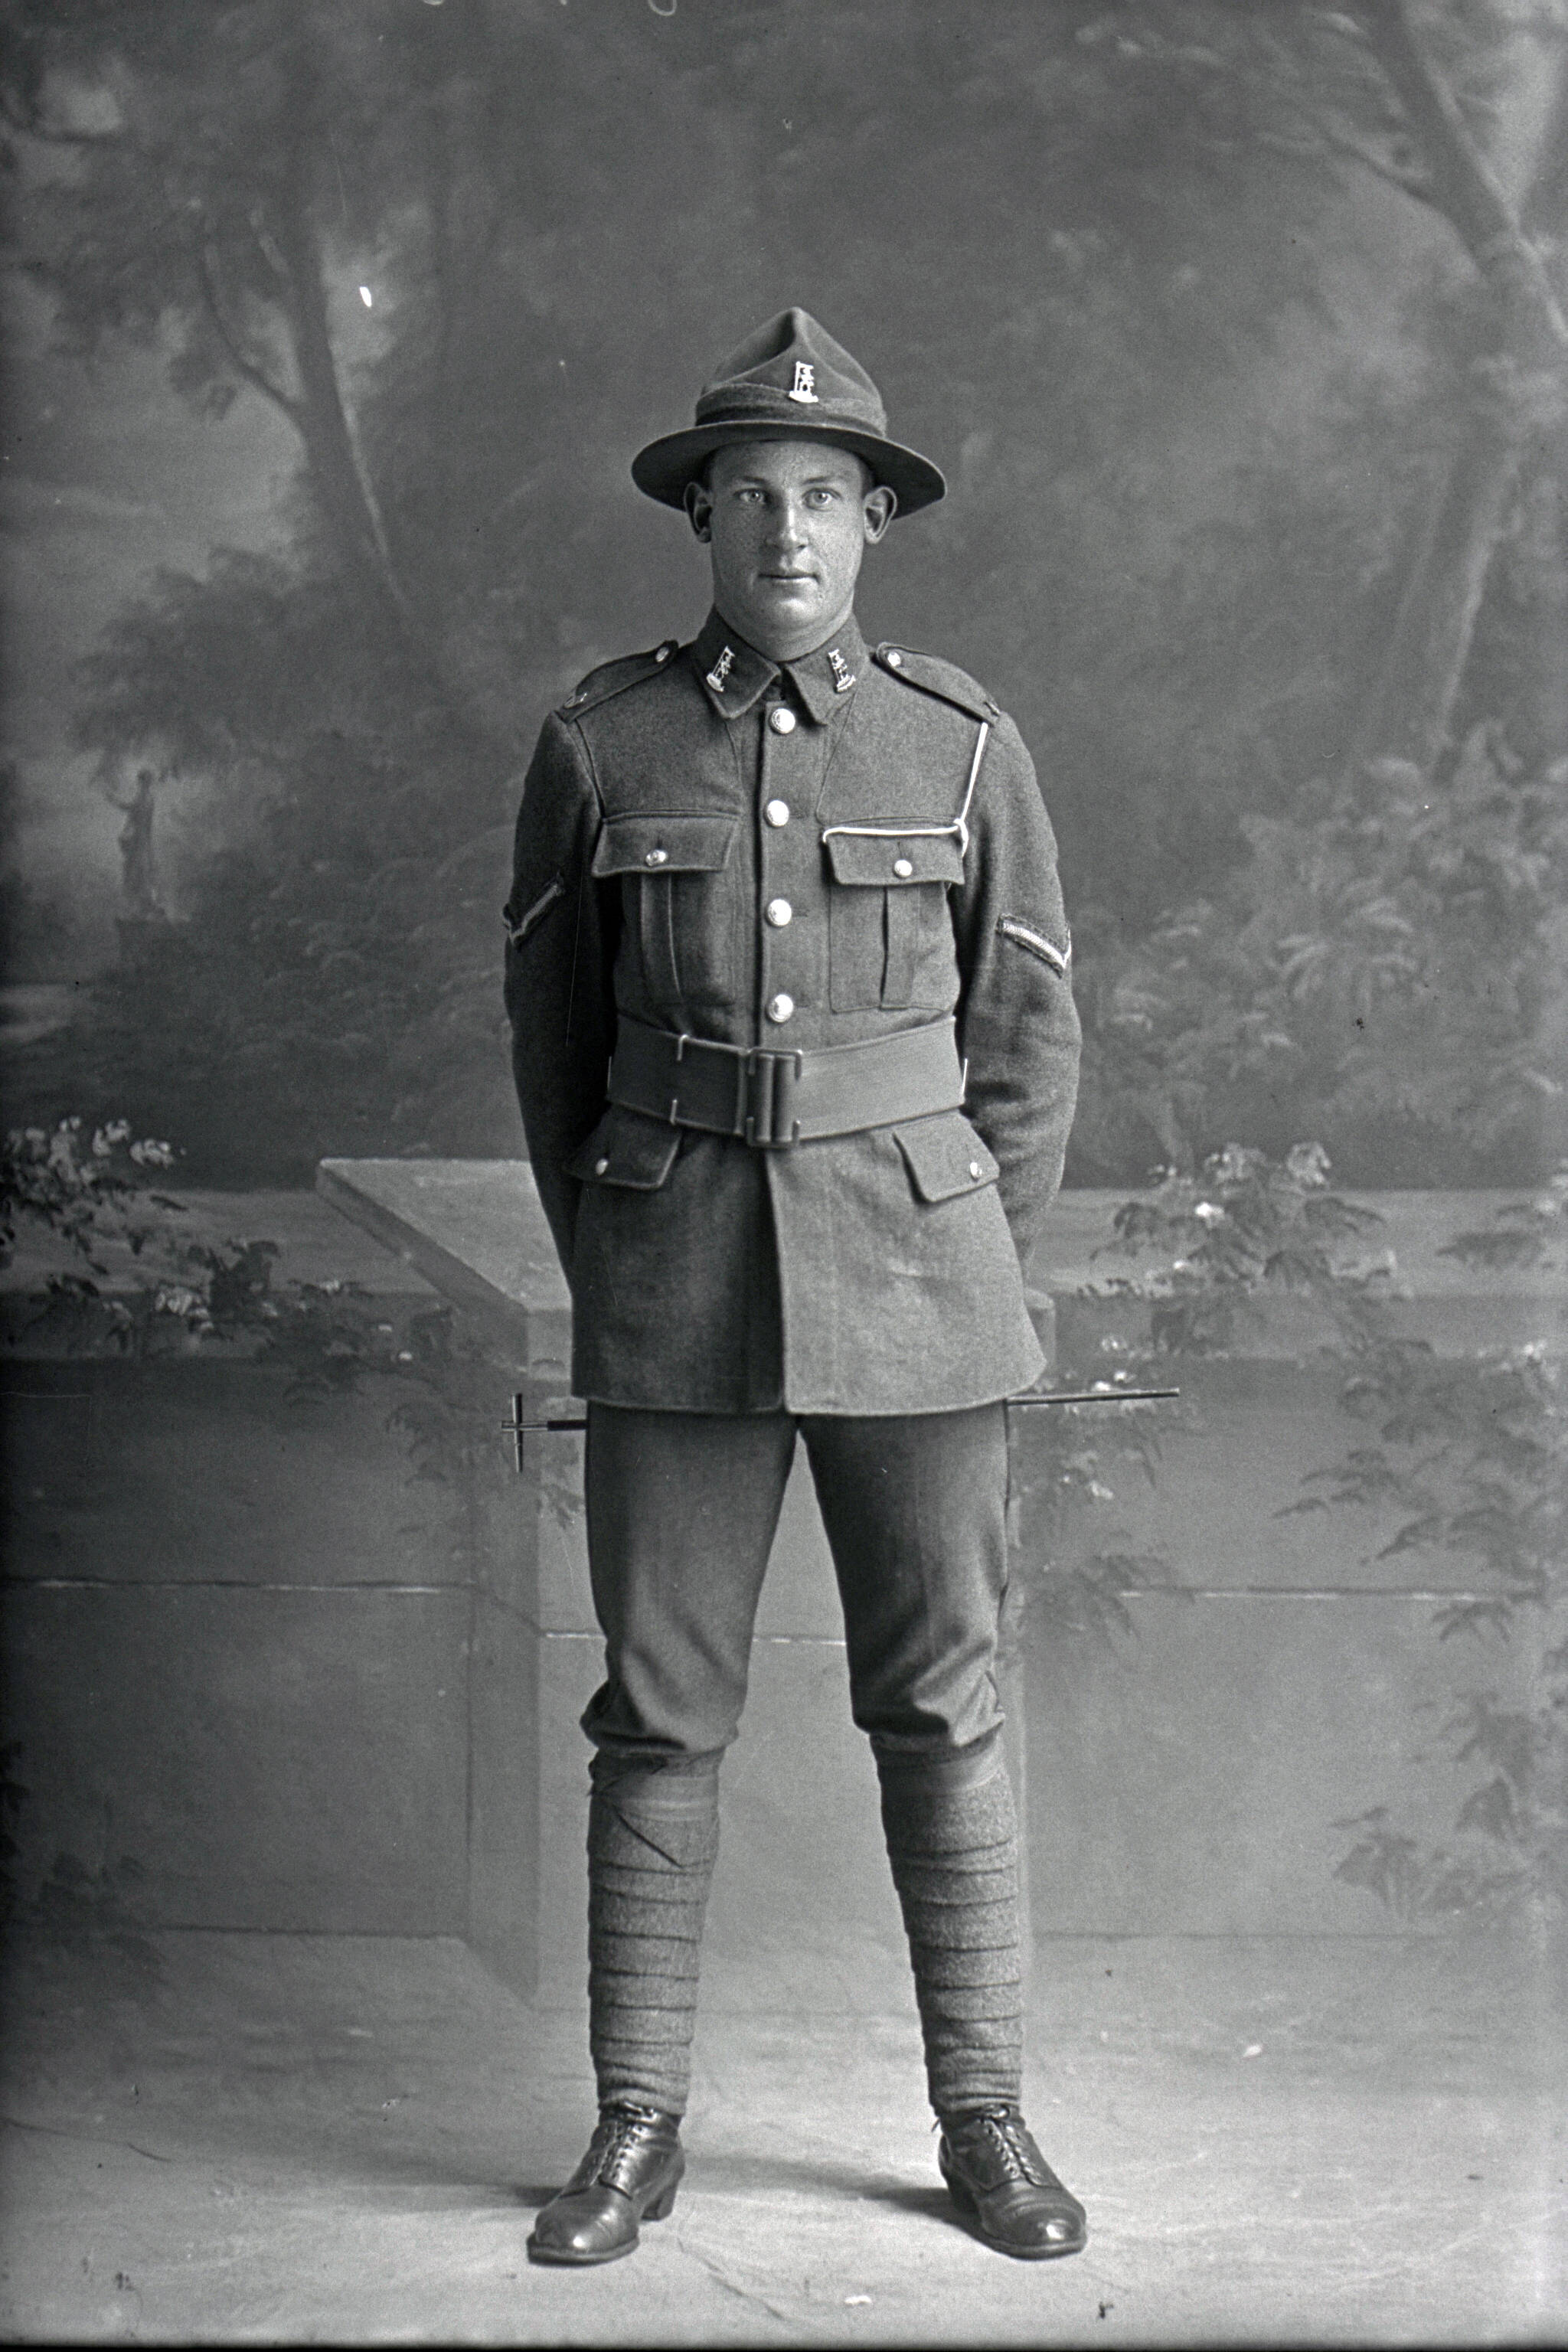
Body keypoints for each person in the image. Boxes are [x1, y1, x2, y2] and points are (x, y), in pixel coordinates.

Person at [504, 309, 1084, 2267]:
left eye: (825, 497)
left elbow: (1028, 1037)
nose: (789, 530)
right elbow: (552, 1048)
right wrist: (621, 1260)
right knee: (660, 1711)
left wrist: (971, 1251)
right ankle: (638, 2123)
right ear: (704, 522)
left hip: (924, 1276)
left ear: (875, 525)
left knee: (944, 1699)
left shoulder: (963, 740)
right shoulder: (601, 743)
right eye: (750, 494)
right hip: (674, 1270)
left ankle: (986, 2121)